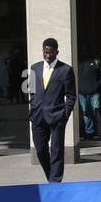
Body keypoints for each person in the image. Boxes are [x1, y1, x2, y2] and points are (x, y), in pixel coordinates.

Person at [28, 37, 76, 182]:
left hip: (57, 115)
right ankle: (51, 175)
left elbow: (71, 95)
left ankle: (55, 182)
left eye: (51, 52)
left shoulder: (66, 70)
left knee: (56, 151)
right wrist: (33, 104)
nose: (48, 55)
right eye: (45, 52)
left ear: (57, 52)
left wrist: (65, 115)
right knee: (41, 149)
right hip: (38, 115)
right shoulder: (34, 68)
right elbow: (31, 91)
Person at [77, 53, 101, 138]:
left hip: (94, 91)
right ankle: (89, 131)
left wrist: (97, 84)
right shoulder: (77, 62)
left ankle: (93, 129)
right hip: (81, 92)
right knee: (85, 111)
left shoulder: (96, 62)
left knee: (95, 109)